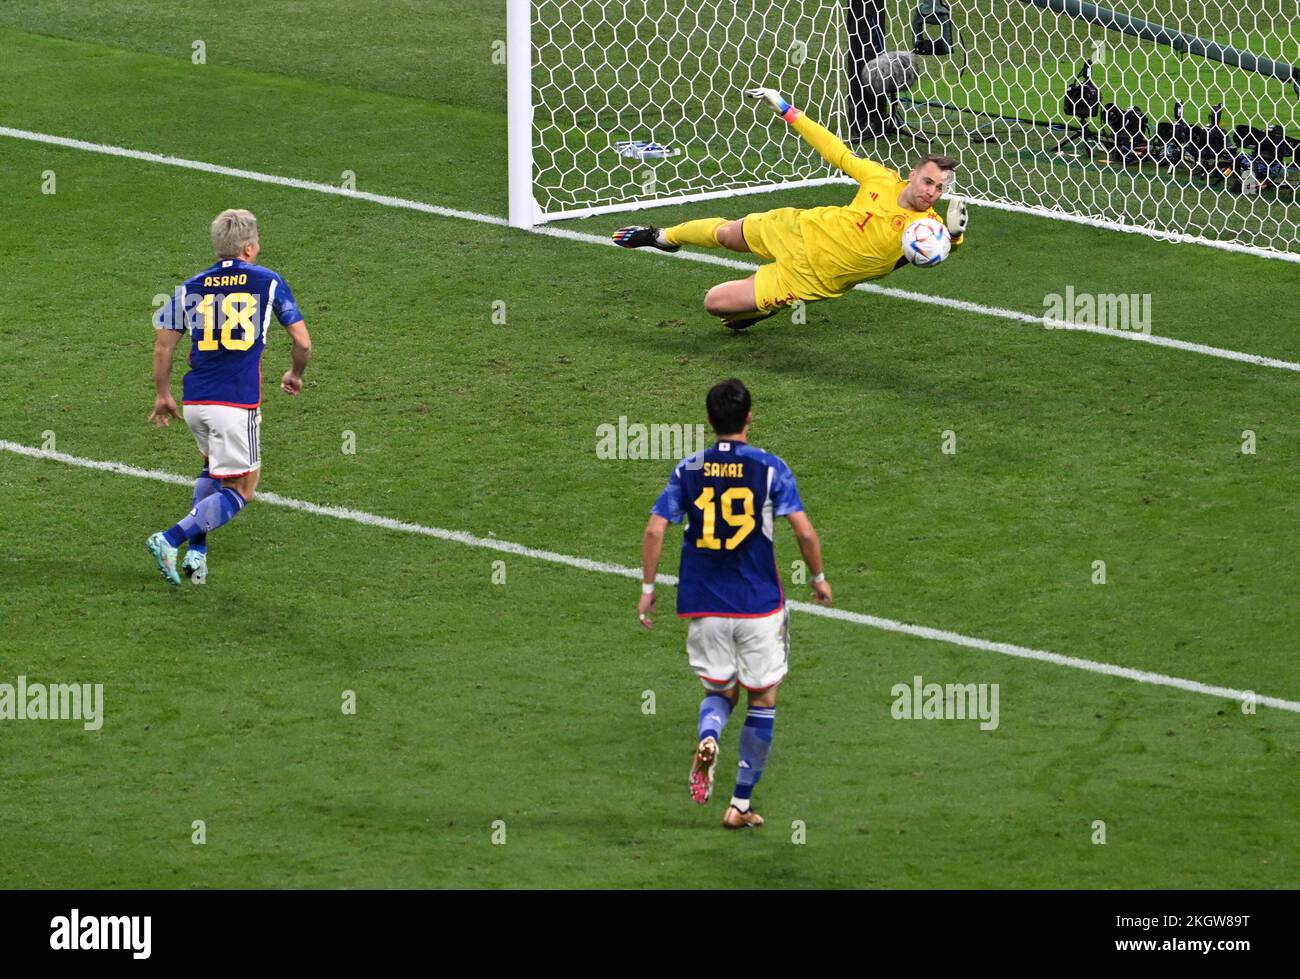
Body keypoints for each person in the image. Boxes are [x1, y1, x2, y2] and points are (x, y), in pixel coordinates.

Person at [637, 379, 832, 828]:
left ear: (710, 420)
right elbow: (803, 531)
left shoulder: (688, 468)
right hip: (758, 606)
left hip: (703, 604)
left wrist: (648, 588)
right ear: (749, 417)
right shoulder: (769, 468)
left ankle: (709, 736)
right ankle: (740, 804)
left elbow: (654, 529)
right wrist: (819, 579)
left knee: (719, 692)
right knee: (762, 697)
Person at [613, 86, 968, 330]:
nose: (933, 192)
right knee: (725, 233)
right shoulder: (880, 178)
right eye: (928, 182)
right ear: (913, 175)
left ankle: (760, 307)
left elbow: (938, 249)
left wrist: (955, 233)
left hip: (810, 279)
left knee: (715, 303)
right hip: (799, 229)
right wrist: (786, 109)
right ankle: (663, 236)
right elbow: (835, 150)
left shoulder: (930, 228)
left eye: (940, 188)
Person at [145, 209, 311, 585]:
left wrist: (162, 394)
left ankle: (197, 556)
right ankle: (170, 539)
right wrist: (295, 374)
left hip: (195, 404)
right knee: (242, 488)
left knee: (212, 471)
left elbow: (162, 347)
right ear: (250, 248)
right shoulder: (268, 281)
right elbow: (302, 342)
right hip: (235, 404)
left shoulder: (189, 286)